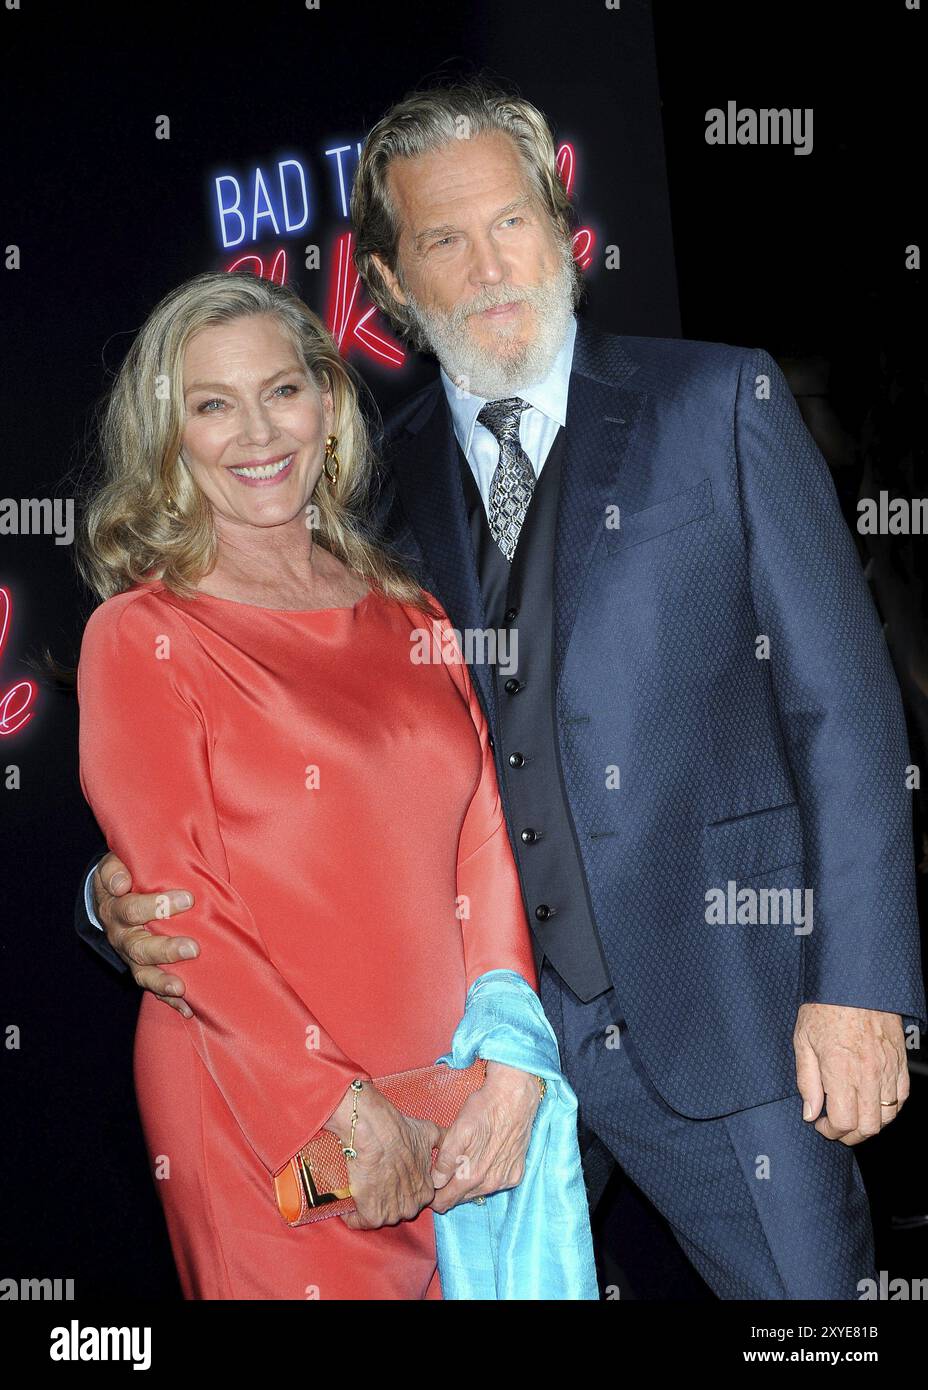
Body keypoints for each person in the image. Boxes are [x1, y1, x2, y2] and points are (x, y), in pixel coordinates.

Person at [79, 79, 927, 1299]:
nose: (487, 267)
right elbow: (277, 765)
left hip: (732, 1020)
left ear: (562, 229)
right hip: (471, 1065)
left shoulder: (717, 403)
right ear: (387, 282)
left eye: (510, 222)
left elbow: (843, 711)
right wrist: (109, 896)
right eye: (442, 239)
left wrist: (858, 989)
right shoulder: (367, 491)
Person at [76, 268, 569, 1300]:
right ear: (169, 436)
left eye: (282, 390)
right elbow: (183, 910)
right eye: (213, 405)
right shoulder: (143, 635)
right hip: (271, 1117)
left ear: (328, 403)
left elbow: (482, 841)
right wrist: (334, 1107)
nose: (258, 432)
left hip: (454, 1111)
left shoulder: (410, 612)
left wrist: (512, 1062)